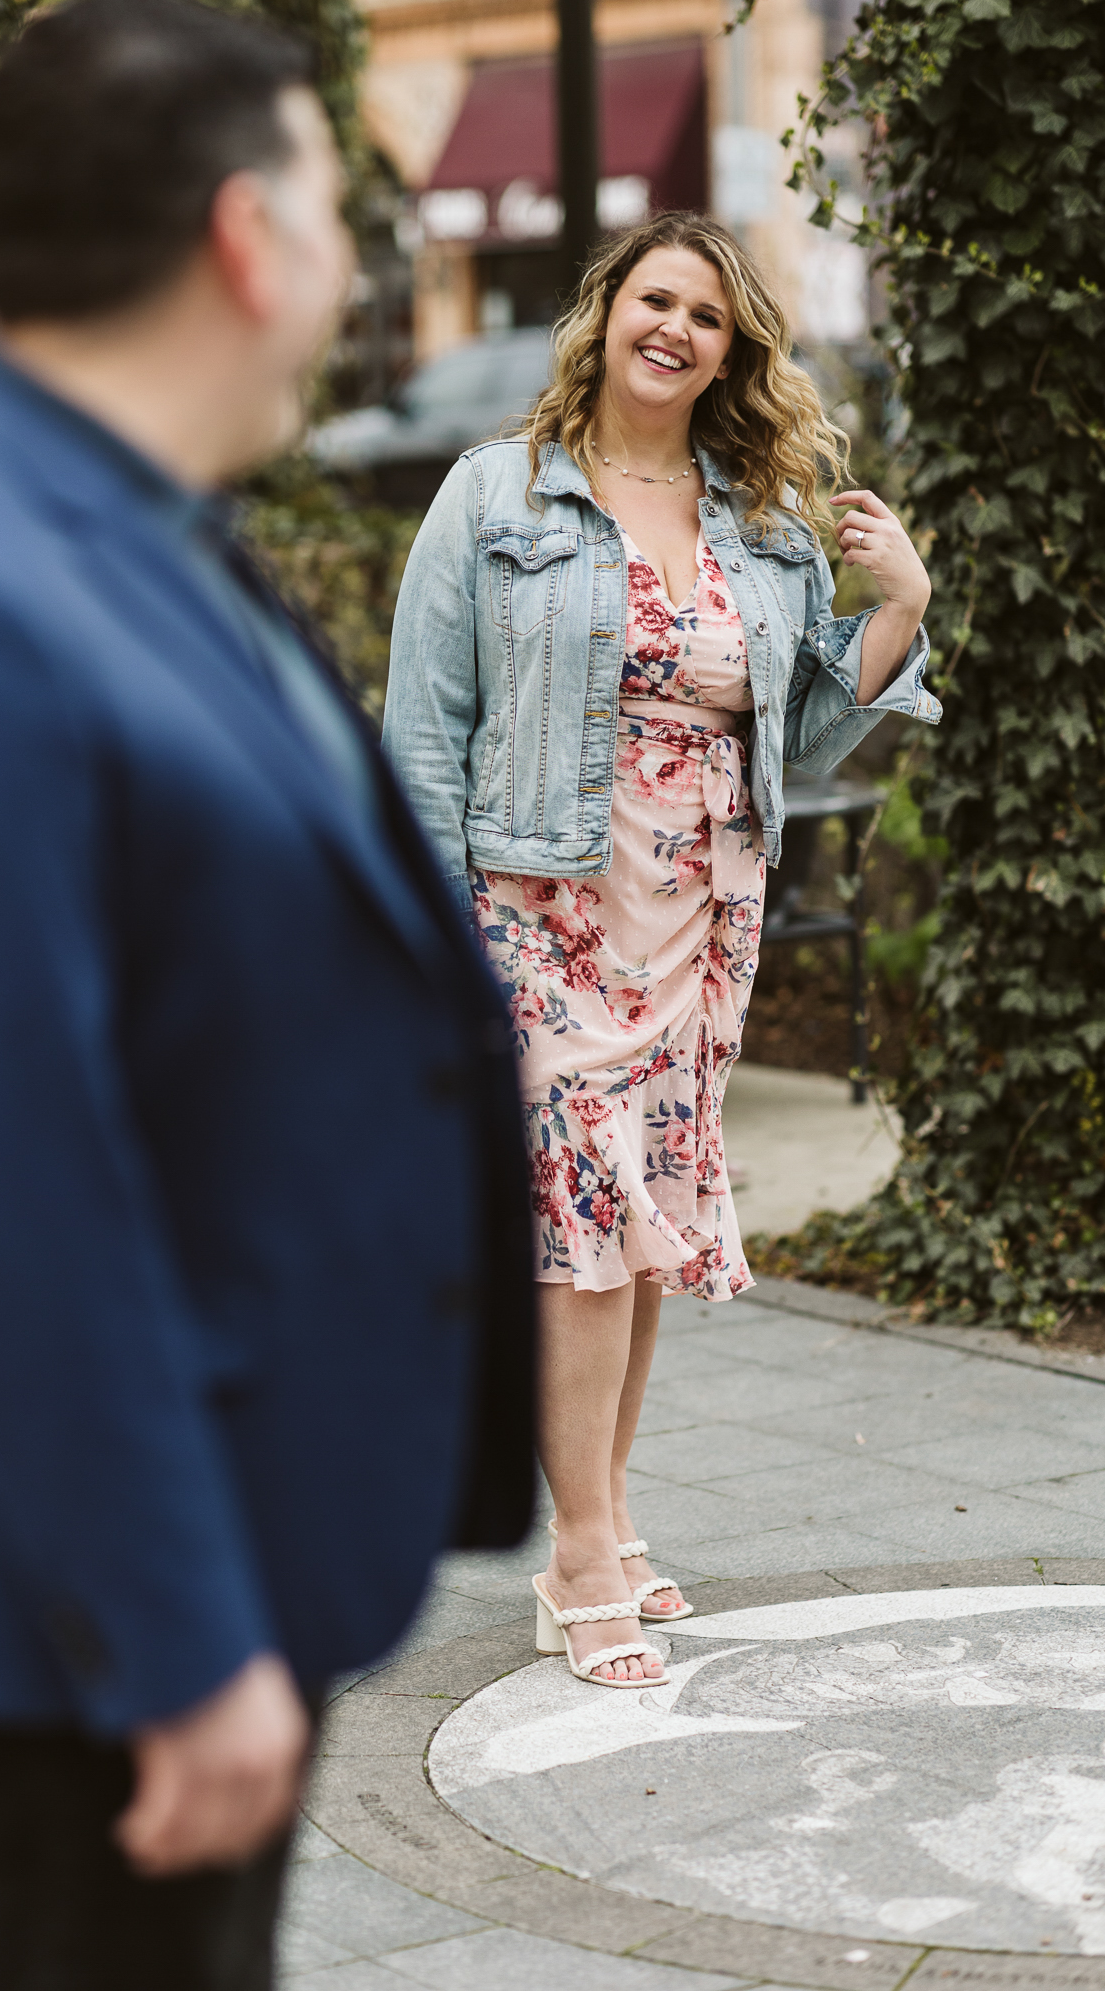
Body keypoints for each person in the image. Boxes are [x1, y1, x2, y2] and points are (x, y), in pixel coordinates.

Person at [0, 0, 534, 1991]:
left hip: (213, 1530)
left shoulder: (128, 519)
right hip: (77, 1636)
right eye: (335, 202)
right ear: (243, 235)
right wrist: (176, 1644)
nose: (354, 258)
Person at [382, 211, 938, 1690]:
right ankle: (577, 1556)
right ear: (606, 313)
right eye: (655, 300)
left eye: (706, 315)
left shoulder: (761, 526)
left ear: (730, 353)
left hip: (702, 910)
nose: (674, 329)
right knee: (579, 1216)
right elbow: (423, 732)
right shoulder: (495, 491)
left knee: (638, 1220)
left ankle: (610, 1516)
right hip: (541, 906)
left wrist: (899, 606)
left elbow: (803, 735)